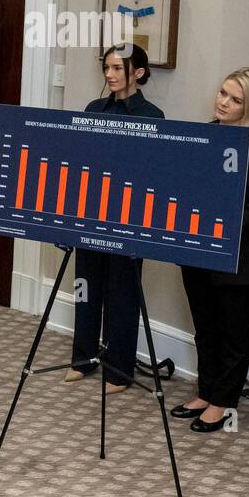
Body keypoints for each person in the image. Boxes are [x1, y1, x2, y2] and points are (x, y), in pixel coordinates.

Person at [173, 68, 249, 432]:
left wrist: (213, 226)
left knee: (233, 333)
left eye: (236, 99)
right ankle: (206, 391)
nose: (223, 102)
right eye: (223, 93)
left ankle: (223, 401)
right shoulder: (206, 134)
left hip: (236, 259)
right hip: (196, 251)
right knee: (205, 327)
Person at [64, 44, 164, 394]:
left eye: (117, 69)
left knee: (123, 293)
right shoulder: (94, 109)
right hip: (92, 214)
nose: (109, 75)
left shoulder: (152, 116)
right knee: (86, 287)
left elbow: (152, 174)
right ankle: (83, 358)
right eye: (106, 68)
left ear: (137, 73)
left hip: (129, 219)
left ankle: (119, 370)